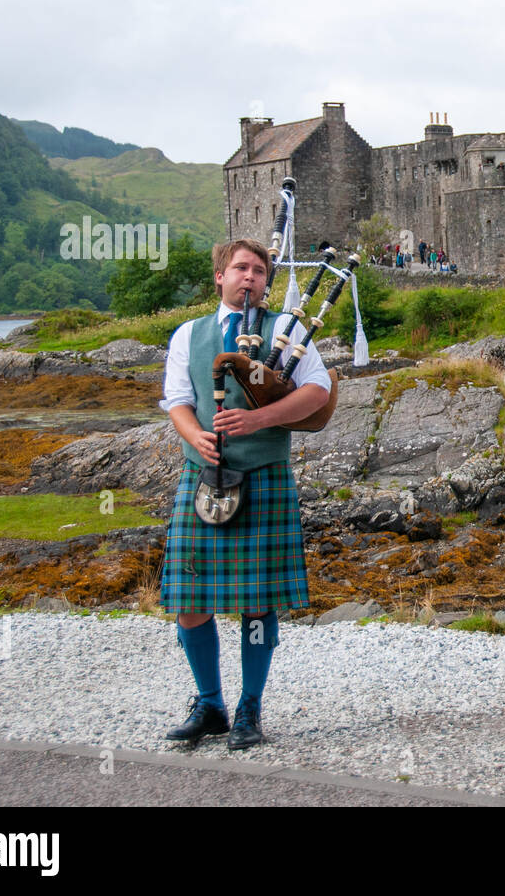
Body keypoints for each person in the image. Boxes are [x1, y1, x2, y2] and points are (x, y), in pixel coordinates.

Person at [157, 238, 331, 751]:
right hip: (202, 477)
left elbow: (317, 391)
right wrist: (196, 437)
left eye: (259, 270)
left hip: (264, 476)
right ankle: (209, 703)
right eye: (240, 268)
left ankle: (249, 708)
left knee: (257, 604)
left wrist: (258, 418)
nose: (249, 277)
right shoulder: (189, 335)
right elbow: (177, 400)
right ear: (220, 276)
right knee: (189, 600)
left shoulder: (286, 329)